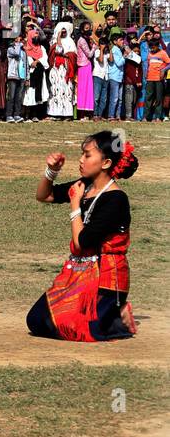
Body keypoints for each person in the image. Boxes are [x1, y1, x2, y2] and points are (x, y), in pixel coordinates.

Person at [26, 131, 139, 341]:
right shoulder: (85, 186)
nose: (81, 159)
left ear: (105, 163)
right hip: (79, 273)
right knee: (36, 320)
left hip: (105, 279)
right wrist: (51, 171)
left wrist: (75, 205)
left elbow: (81, 243)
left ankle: (118, 318)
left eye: (87, 155)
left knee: (78, 329)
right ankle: (110, 315)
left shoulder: (116, 199)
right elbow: (44, 195)